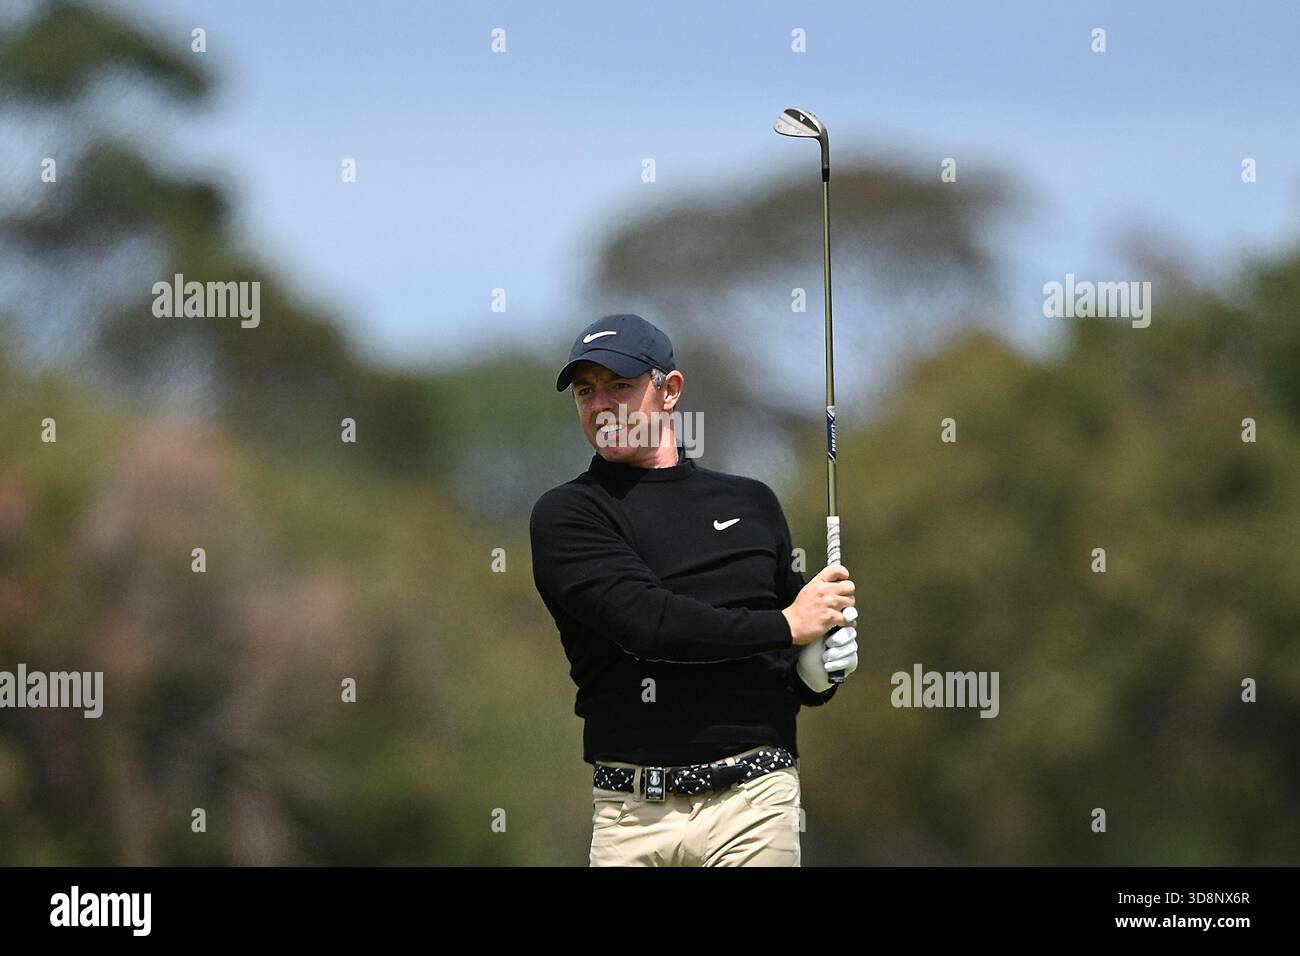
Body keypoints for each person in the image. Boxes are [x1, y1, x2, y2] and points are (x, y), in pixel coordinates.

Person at [528, 313, 859, 866]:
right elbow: (649, 626)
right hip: (631, 816)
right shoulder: (568, 514)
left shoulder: (752, 504)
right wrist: (787, 626)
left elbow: (790, 655)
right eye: (586, 391)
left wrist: (818, 669)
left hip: (754, 802)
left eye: (620, 386)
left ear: (669, 390)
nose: (600, 405)